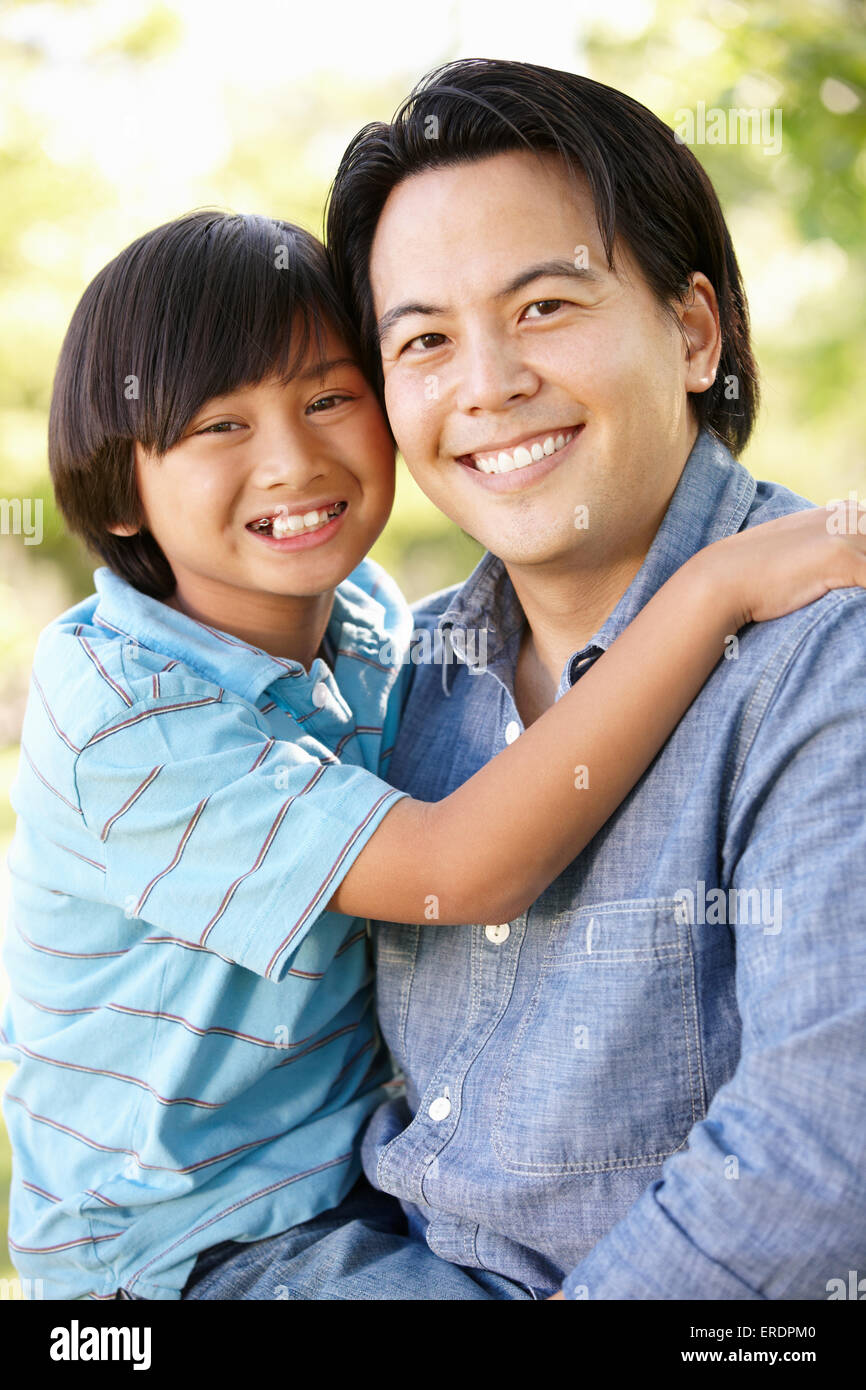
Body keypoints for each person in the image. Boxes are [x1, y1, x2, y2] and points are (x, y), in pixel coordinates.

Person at [1, 208, 861, 1302]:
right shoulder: (125, 712)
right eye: (219, 426)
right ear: (121, 482)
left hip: (344, 1203)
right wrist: (711, 590)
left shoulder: (373, 624)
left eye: (327, 398)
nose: (292, 458)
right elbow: (462, 864)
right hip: (189, 1256)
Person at [318, 58, 866, 1300]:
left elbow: (824, 1156)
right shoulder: (405, 682)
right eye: (422, 340)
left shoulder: (828, 650)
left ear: (689, 330)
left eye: (543, 308)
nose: (485, 386)